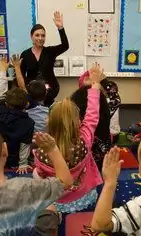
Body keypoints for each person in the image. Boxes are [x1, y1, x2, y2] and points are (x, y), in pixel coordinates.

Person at [33, 64, 103, 213]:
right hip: (84, 198)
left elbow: (40, 177)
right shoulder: (85, 139)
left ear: (49, 123)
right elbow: (92, 114)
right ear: (78, 122)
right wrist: (95, 85)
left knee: (35, 174)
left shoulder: (42, 151)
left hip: (56, 203)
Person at [0, 55, 35, 174]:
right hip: (14, 161)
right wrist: (23, 163)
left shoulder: (1, 110)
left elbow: (0, 90)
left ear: (7, 103)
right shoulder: (28, 123)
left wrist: (2, 70)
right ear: (27, 104)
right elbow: (25, 144)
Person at [20, 11, 69, 106]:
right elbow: (22, 75)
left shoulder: (50, 52)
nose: (40, 38)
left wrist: (60, 28)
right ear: (31, 36)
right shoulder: (25, 54)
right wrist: (28, 89)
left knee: (47, 117)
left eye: (43, 35)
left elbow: (65, 46)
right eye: (37, 35)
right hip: (32, 94)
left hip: (50, 92)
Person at [11, 54, 48, 133]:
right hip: (46, 138)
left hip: (31, 138)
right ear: (46, 93)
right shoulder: (50, 111)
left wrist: (17, 67)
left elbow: (21, 86)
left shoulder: (30, 104)